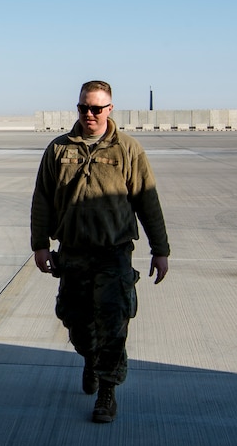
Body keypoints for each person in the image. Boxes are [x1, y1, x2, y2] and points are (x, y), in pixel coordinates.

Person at [30, 80, 170, 424]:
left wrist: (160, 249)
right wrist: (40, 244)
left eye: (96, 108)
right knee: (75, 321)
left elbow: (147, 200)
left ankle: (108, 390)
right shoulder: (59, 149)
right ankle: (90, 359)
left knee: (113, 323)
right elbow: (42, 199)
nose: (89, 114)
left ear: (109, 109)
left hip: (113, 254)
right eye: (84, 108)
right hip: (72, 253)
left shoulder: (127, 149)